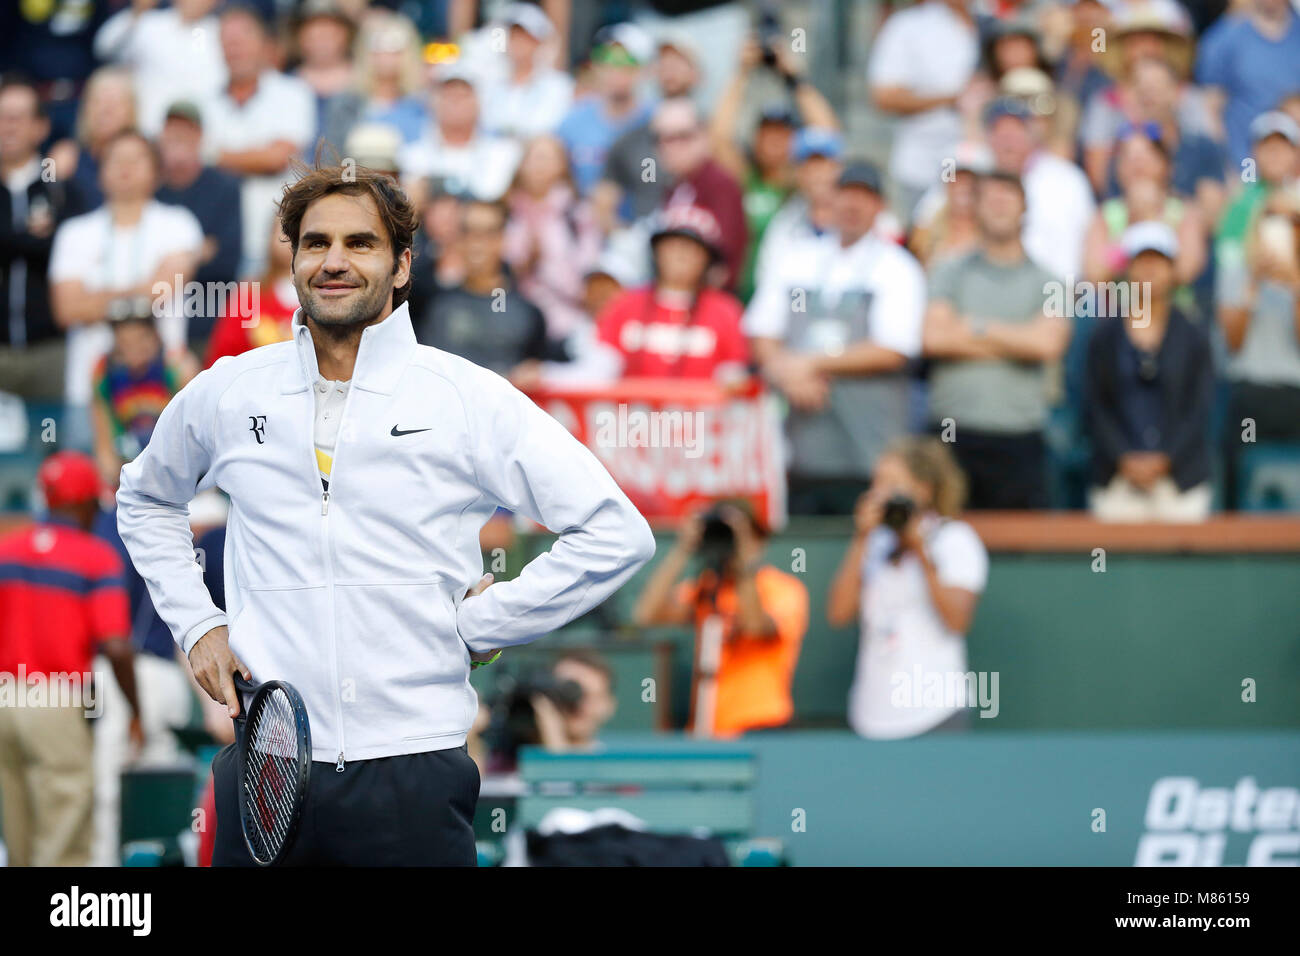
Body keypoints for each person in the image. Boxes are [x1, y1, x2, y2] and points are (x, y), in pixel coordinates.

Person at [116, 163, 655, 866]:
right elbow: (144, 497)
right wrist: (198, 623)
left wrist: (485, 623)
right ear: (293, 259)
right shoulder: (227, 390)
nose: (334, 261)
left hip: (416, 770)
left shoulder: (463, 395)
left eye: (360, 244)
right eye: (315, 243)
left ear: (401, 266)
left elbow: (617, 532)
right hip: (269, 766)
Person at [745, 162, 927, 515]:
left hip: (866, 451)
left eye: (865, 197)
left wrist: (807, 363)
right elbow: (761, 331)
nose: (853, 206)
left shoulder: (897, 267)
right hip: (797, 452)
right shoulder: (797, 258)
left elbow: (894, 349)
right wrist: (786, 373)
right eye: (847, 195)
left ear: (879, 206)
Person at [0, 451, 142, 866]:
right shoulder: (95, 556)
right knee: (64, 844)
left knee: (19, 840)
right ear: (86, 504)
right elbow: (116, 646)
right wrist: (136, 711)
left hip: (6, 700)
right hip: (56, 703)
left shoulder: (8, 550)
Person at [48, 129, 203, 452]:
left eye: (136, 159)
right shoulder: (73, 232)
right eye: (115, 160)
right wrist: (141, 292)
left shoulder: (180, 223)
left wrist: (95, 299)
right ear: (100, 172)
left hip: (164, 384)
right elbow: (67, 310)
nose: (125, 167)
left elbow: (162, 289)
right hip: (89, 387)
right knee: (90, 489)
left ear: (156, 170)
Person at [922, 171, 1067, 509]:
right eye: (990, 198)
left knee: (1022, 553)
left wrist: (976, 326)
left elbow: (1047, 345)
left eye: (1008, 197)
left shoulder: (1049, 279)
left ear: (1025, 208)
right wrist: (1019, 338)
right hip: (952, 435)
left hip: (1020, 438)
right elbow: (933, 338)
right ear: (974, 208)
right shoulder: (948, 270)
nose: (999, 206)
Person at [826, 438, 987, 740]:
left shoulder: (955, 539)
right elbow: (838, 614)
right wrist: (860, 539)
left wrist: (921, 552)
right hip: (872, 716)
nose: (879, 493)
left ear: (924, 489)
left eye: (891, 483)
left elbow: (957, 620)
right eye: (876, 483)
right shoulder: (873, 544)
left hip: (935, 715)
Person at [633, 502, 808, 738]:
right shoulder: (706, 588)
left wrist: (744, 560)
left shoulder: (783, 588)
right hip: (708, 728)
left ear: (759, 541)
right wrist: (683, 550)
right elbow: (645, 616)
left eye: (743, 535)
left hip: (762, 726)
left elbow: (756, 627)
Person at [1086, 222, 1215, 521]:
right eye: (1140, 262)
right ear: (1127, 270)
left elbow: (1200, 406)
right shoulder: (1105, 335)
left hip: (1182, 483)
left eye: (1157, 262)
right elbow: (1094, 405)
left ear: (1172, 270)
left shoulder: (1193, 334)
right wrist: (1124, 458)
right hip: (1116, 482)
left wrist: (1165, 459)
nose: (1149, 271)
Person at [203, 4, 316, 278]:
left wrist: (213, 156)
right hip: (217, 241)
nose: (235, 48)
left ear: (265, 44)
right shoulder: (204, 101)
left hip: (275, 243)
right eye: (228, 41)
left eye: (242, 39)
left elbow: (276, 158)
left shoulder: (293, 93)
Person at [591, 204, 750, 383]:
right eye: (672, 246)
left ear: (707, 260)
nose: (681, 255)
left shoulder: (726, 312)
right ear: (656, 253)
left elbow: (734, 378)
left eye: (691, 248)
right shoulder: (624, 304)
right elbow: (599, 369)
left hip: (701, 411)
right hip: (631, 410)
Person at [414, 197, 560, 386]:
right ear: (457, 239)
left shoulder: (528, 314)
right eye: (468, 232)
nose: (477, 243)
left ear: (502, 239)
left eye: (488, 233)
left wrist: (536, 371)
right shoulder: (429, 303)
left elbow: (542, 368)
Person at [1217, 179, 1300, 508]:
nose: (1280, 227)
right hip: (1250, 394)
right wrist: (1254, 282)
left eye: (1291, 219)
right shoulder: (1238, 274)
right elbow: (1233, 342)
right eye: (1270, 217)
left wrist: (1293, 282)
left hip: (1295, 395)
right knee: (1236, 449)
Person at [0, 76, 79, 402]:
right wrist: (31, 240)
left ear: (40, 127)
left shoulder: (60, 189)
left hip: (51, 350)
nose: (7, 127)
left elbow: (70, 251)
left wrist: (9, 240)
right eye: (1, 118)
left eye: (17, 118)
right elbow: (46, 247)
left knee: (52, 444)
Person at [868, 0, 979, 220]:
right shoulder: (909, 25)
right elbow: (884, 96)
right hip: (922, 166)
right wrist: (952, 99)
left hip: (981, 163)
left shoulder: (990, 20)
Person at [154, 100, 244, 354]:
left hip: (207, 319)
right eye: (171, 131)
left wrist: (169, 263)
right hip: (154, 325)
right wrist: (198, 252)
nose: (178, 138)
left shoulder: (224, 186)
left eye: (187, 131)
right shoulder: (151, 188)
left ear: (200, 137)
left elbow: (226, 262)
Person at [91, 297, 198, 491]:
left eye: (141, 338)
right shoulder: (104, 374)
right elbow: (104, 446)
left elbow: (195, 438)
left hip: (176, 473)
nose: (133, 348)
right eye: (124, 341)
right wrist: (118, 483)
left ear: (154, 335)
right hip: (127, 471)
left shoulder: (178, 367)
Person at [503, 135, 601, 342]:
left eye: (548, 158)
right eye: (535, 157)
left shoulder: (577, 215)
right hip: (513, 323)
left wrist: (544, 263)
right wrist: (522, 262)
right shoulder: (506, 212)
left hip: (565, 324)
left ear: (563, 167)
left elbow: (587, 278)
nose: (540, 166)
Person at [987, 95, 1096, 279]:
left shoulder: (1067, 179)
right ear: (989, 139)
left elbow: (1088, 237)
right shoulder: (975, 175)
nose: (1008, 143)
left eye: (1015, 133)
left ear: (1031, 136)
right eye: (1001, 134)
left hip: (1058, 292)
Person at [91, 0, 226, 137]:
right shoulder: (151, 23)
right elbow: (104, 48)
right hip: (147, 131)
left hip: (198, 135)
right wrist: (137, 12)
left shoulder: (221, 33)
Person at [1196, 0, 1300, 170]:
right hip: (1244, 164)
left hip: (1293, 170)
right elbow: (1210, 107)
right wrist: (1225, 165)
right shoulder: (1226, 37)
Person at [397, 63, 522, 203]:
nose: (455, 102)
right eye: (448, 96)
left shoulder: (503, 153)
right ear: (433, 102)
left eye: (463, 95)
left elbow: (493, 198)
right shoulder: (411, 156)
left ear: (478, 102)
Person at [556, 24, 654, 197]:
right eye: (606, 60)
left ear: (644, 70)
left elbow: (657, 182)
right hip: (584, 219)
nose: (615, 71)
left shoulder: (659, 121)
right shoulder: (573, 122)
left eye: (626, 62)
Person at [320, 10, 428, 153]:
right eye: (378, 49)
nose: (386, 58)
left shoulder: (422, 106)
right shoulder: (345, 105)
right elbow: (331, 158)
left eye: (395, 50)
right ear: (365, 53)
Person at [204, 222, 300, 366]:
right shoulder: (248, 295)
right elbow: (222, 356)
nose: (293, 240)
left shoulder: (325, 297)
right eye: (286, 232)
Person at [480, 3, 574, 140]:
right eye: (512, 37)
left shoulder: (559, 85)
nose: (517, 43)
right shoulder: (488, 82)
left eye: (524, 37)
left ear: (538, 42)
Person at [531, 649, 617, 753]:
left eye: (589, 697)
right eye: (567, 691)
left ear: (609, 705)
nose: (578, 705)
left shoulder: (614, 766)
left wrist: (555, 742)